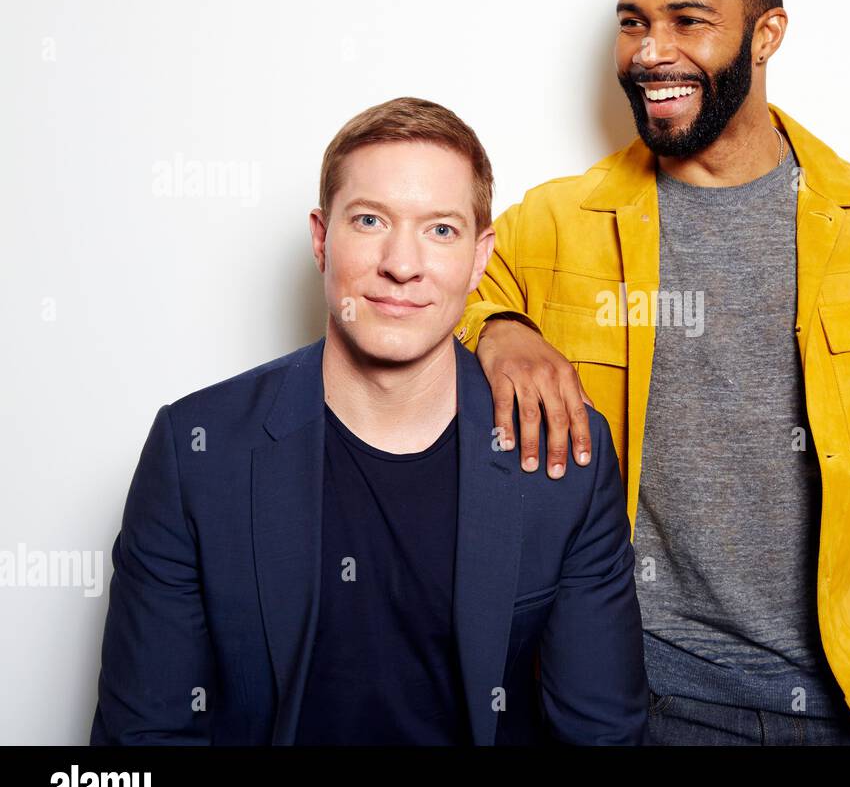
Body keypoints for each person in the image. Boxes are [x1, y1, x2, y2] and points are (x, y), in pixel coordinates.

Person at [453, 0, 850, 745]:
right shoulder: (558, 223)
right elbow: (429, 300)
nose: (650, 51)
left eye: (689, 21)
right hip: (629, 697)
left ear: (766, 34)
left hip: (843, 705)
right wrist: (497, 325)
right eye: (633, 22)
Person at [90, 97, 648, 745]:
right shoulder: (197, 452)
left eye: (440, 229)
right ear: (322, 238)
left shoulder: (563, 455)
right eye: (370, 220)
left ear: (479, 257)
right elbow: (140, 747)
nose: (402, 264)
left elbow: (602, 736)